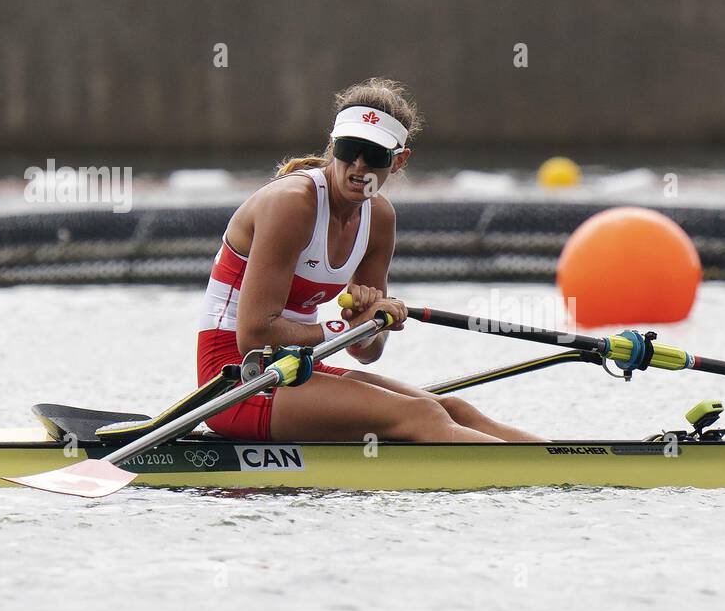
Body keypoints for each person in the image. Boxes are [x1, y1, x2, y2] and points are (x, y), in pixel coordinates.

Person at [196, 77, 542, 443]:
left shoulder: (379, 219)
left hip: (293, 368)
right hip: (235, 380)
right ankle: (543, 486)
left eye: (375, 155)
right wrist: (345, 329)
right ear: (333, 145)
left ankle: (568, 468)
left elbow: (365, 352)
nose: (359, 166)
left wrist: (370, 323)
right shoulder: (292, 204)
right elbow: (254, 336)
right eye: (349, 149)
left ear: (398, 161)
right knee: (421, 415)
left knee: (455, 410)